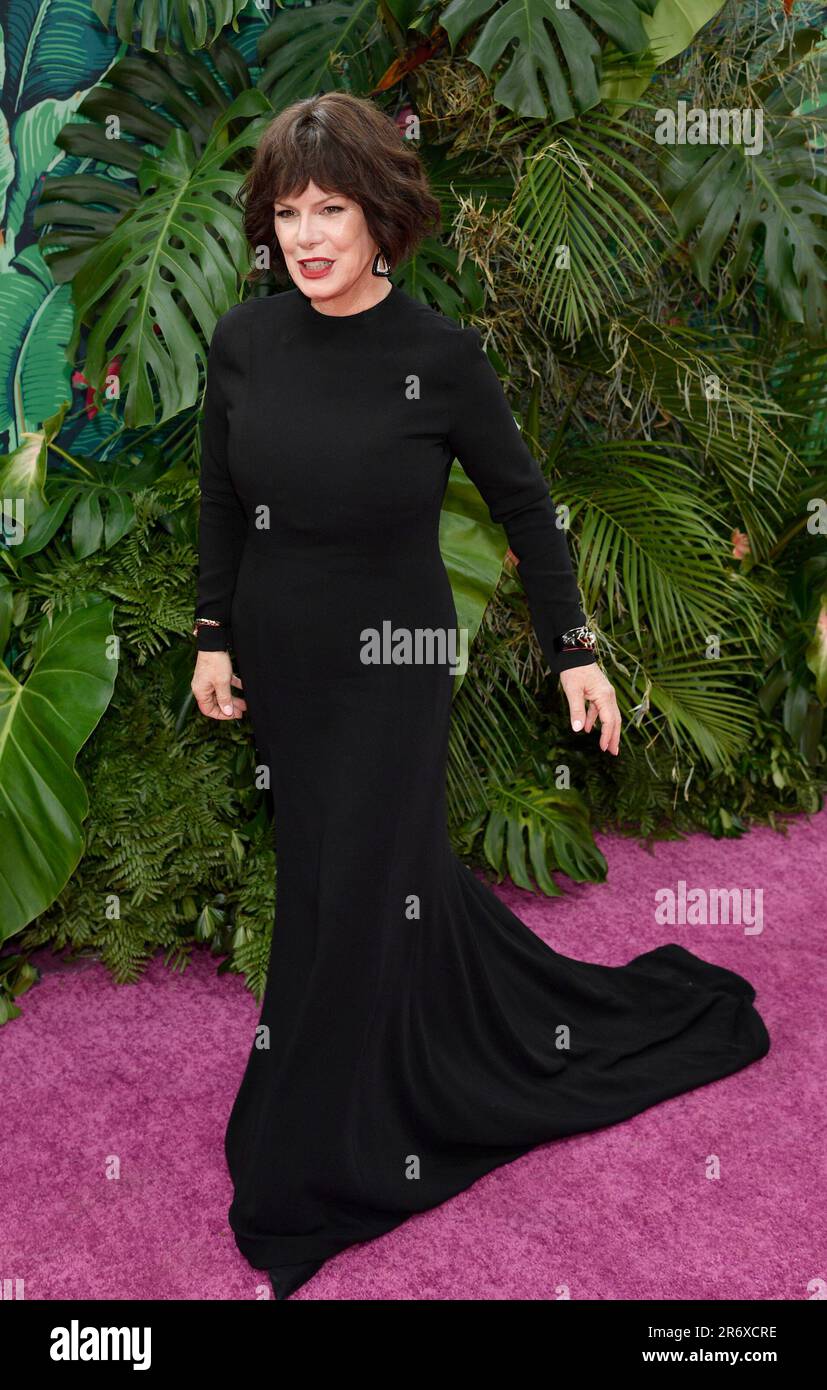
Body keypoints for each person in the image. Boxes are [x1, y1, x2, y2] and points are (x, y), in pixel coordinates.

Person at [191, 93, 770, 1301]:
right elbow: (214, 503)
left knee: (361, 882)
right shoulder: (243, 343)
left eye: (331, 210)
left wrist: (573, 650)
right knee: (331, 876)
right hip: (285, 660)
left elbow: (523, 508)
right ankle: (354, 1072)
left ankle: (332, 1142)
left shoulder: (439, 359)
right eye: (290, 212)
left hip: (396, 660)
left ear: (381, 219)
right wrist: (209, 637)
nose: (307, 236)